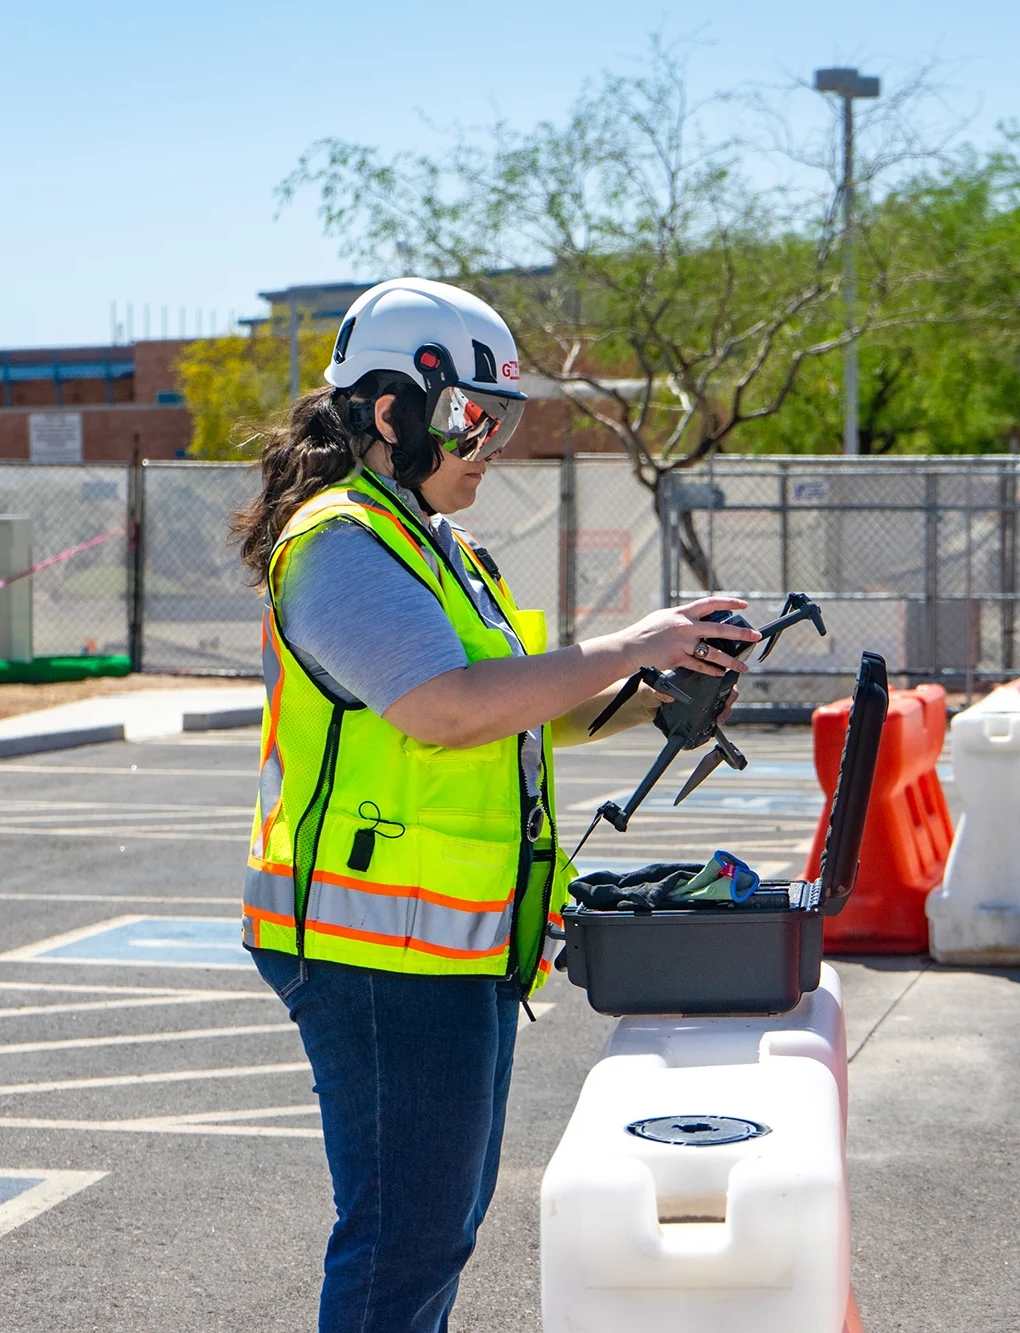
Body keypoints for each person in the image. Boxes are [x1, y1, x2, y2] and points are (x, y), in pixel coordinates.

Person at [229, 276, 758, 1333]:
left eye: (501, 420)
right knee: (405, 1236)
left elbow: (519, 707)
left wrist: (658, 691)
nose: (490, 444)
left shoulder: (439, 545)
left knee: (436, 1228)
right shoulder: (338, 542)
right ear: (391, 412)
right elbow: (446, 707)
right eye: (472, 416)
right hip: (372, 949)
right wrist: (631, 641)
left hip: (448, 943)